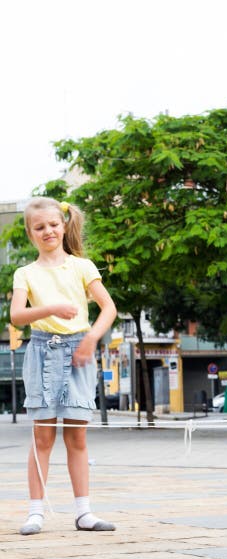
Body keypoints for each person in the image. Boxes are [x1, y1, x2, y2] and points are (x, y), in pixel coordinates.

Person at [11, 197, 118, 535]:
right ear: (31, 233)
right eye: (40, 227)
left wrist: (90, 340)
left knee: (77, 437)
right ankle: (35, 512)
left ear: (64, 225)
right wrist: (51, 309)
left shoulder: (82, 267)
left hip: (78, 353)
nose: (48, 231)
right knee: (42, 436)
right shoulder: (25, 273)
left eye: (53, 225)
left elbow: (108, 308)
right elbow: (16, 315)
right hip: (43, 352)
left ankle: (84, 512)